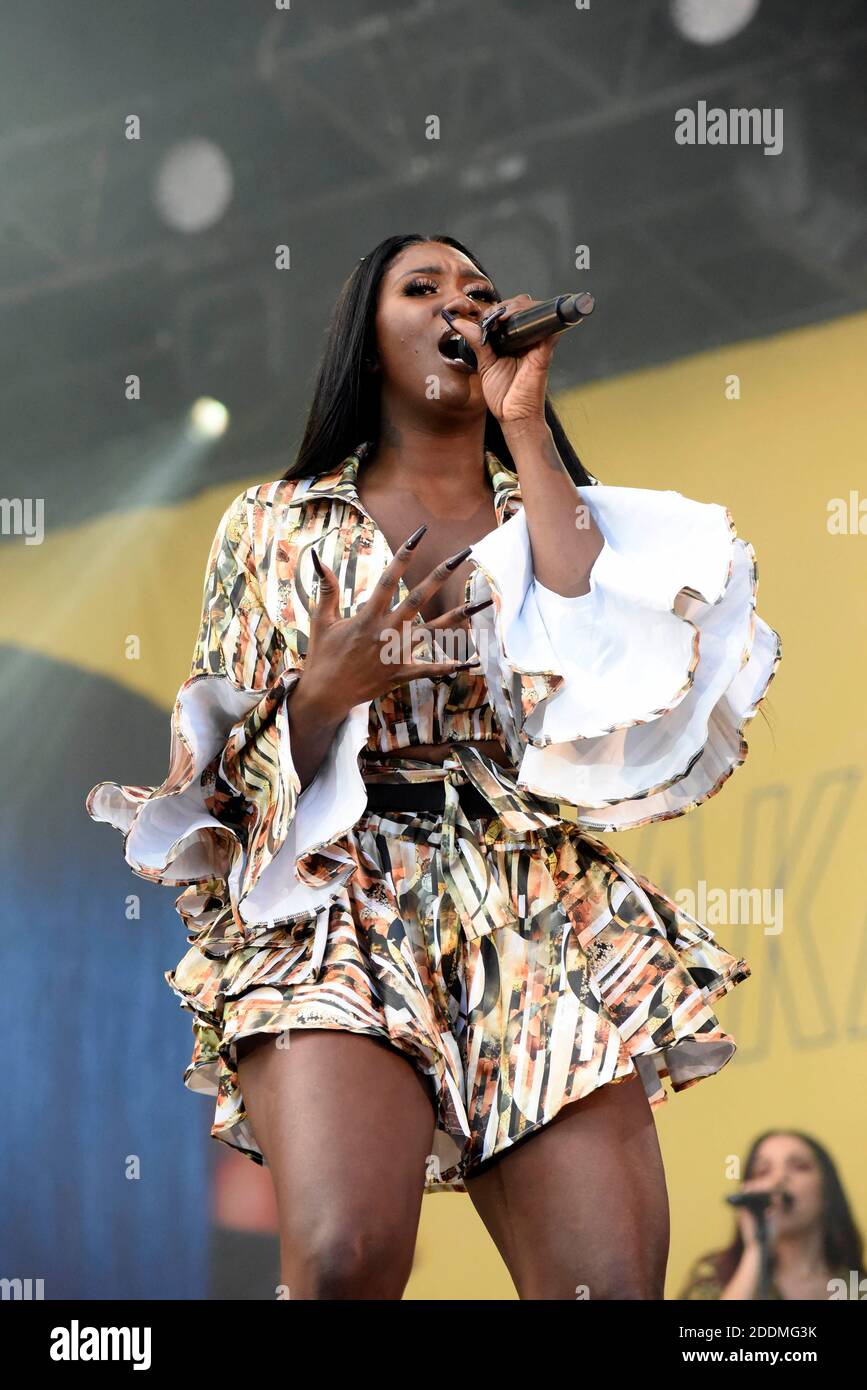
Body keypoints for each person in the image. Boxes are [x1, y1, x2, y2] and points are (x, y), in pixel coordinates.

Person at [87, 232, 782, 1300]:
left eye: (481, 293)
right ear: (368, 343)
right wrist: (324, 694)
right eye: (425, 290)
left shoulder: (536, 513)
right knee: (343, 1259)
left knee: (610, 1285)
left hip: (524, 894)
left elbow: (602, 658)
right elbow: (206, 787)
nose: (462, 306)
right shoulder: (277, 525)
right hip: (334, 896)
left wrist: (524, 424)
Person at [679, 1131, 863, 1300]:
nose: (779, 1178)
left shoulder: (856, 1289)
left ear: (827, 1190)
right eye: (762, 1171)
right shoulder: (713, 1277)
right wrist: (756, 1250)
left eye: (799, 1167)